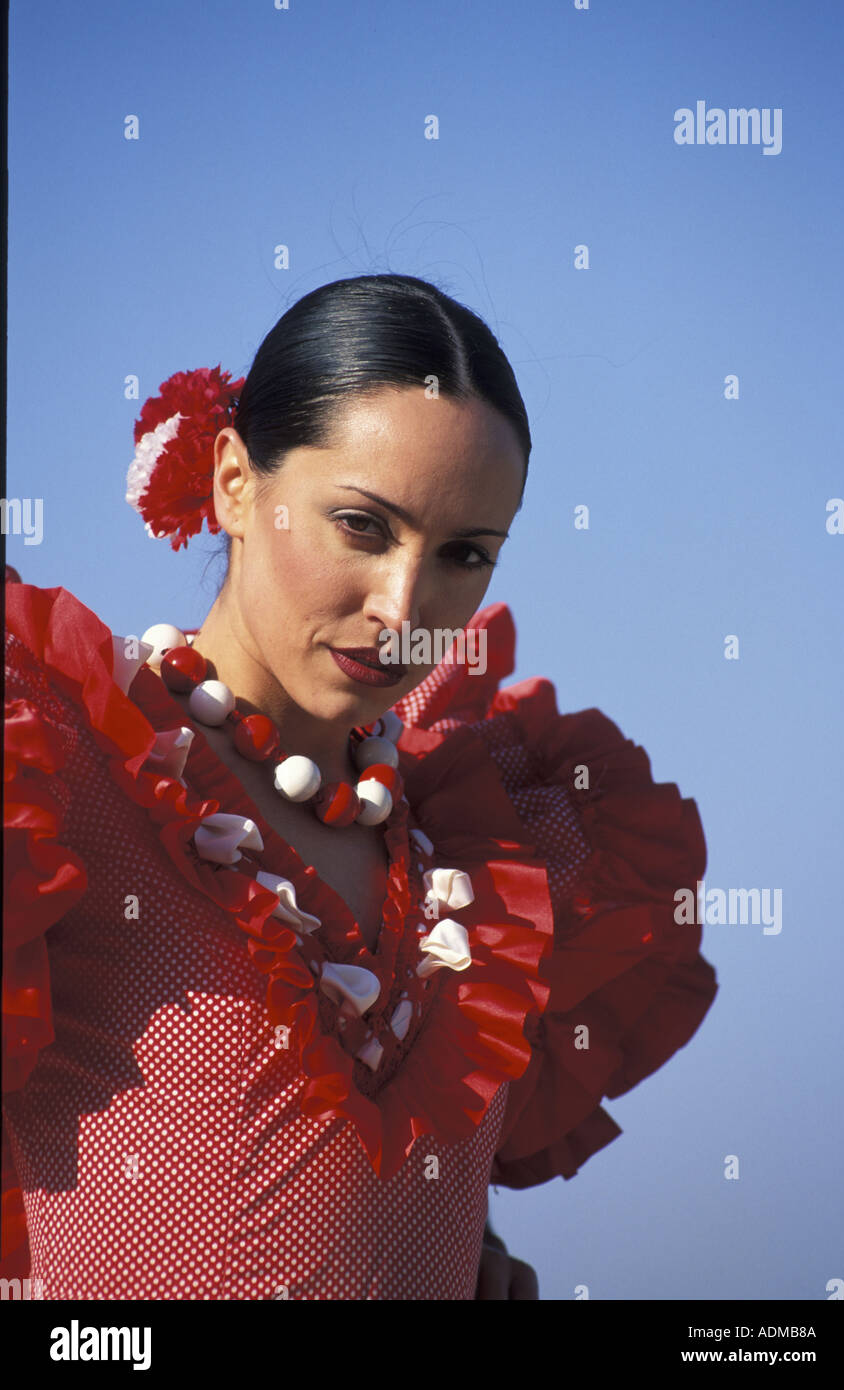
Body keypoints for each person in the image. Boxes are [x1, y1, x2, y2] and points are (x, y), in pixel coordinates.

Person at [2, 273, 717, 1300]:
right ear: (234, 485)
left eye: (464, 554)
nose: (406, 609)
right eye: (361, 526)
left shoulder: (494, 846)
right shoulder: (62, 776)